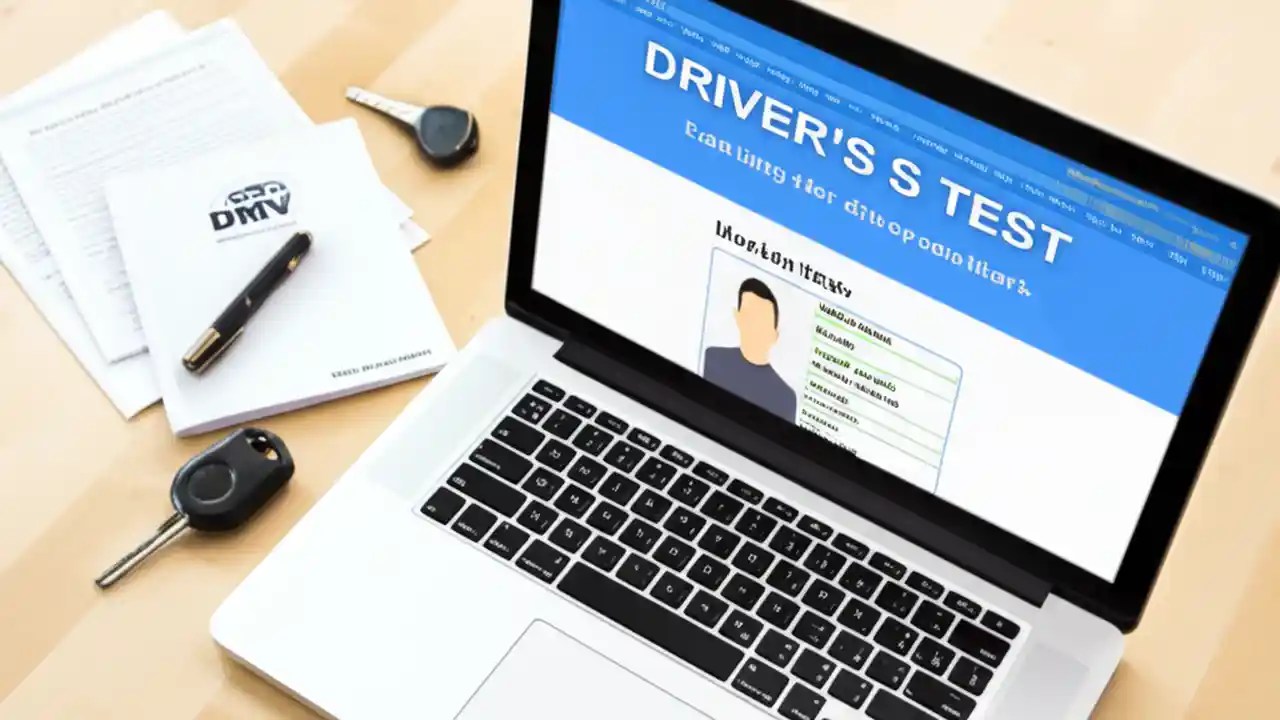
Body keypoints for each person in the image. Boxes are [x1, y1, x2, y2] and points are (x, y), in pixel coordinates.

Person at [703, 278, 797, 420]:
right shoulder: (712, 358)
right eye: (750, 316)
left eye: (763, 321)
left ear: (775, 335)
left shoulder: (785, 398)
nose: (755, 328)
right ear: (738, 318)